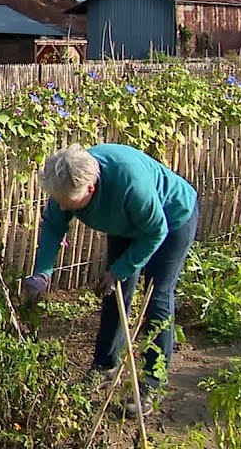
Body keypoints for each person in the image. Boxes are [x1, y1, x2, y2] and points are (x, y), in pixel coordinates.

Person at [21, 143, 199, 417]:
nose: (61, 205)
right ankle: (105, 365)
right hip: (124, 222)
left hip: (171, 220)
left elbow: (155, 231)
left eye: (68, 201)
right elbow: (54, 226)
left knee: (157, 297)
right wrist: (43, 272)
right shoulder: (65, 180)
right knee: (115, 294)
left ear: (89, 189)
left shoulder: (129, 182)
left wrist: (121, 269)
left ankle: (152, 382)